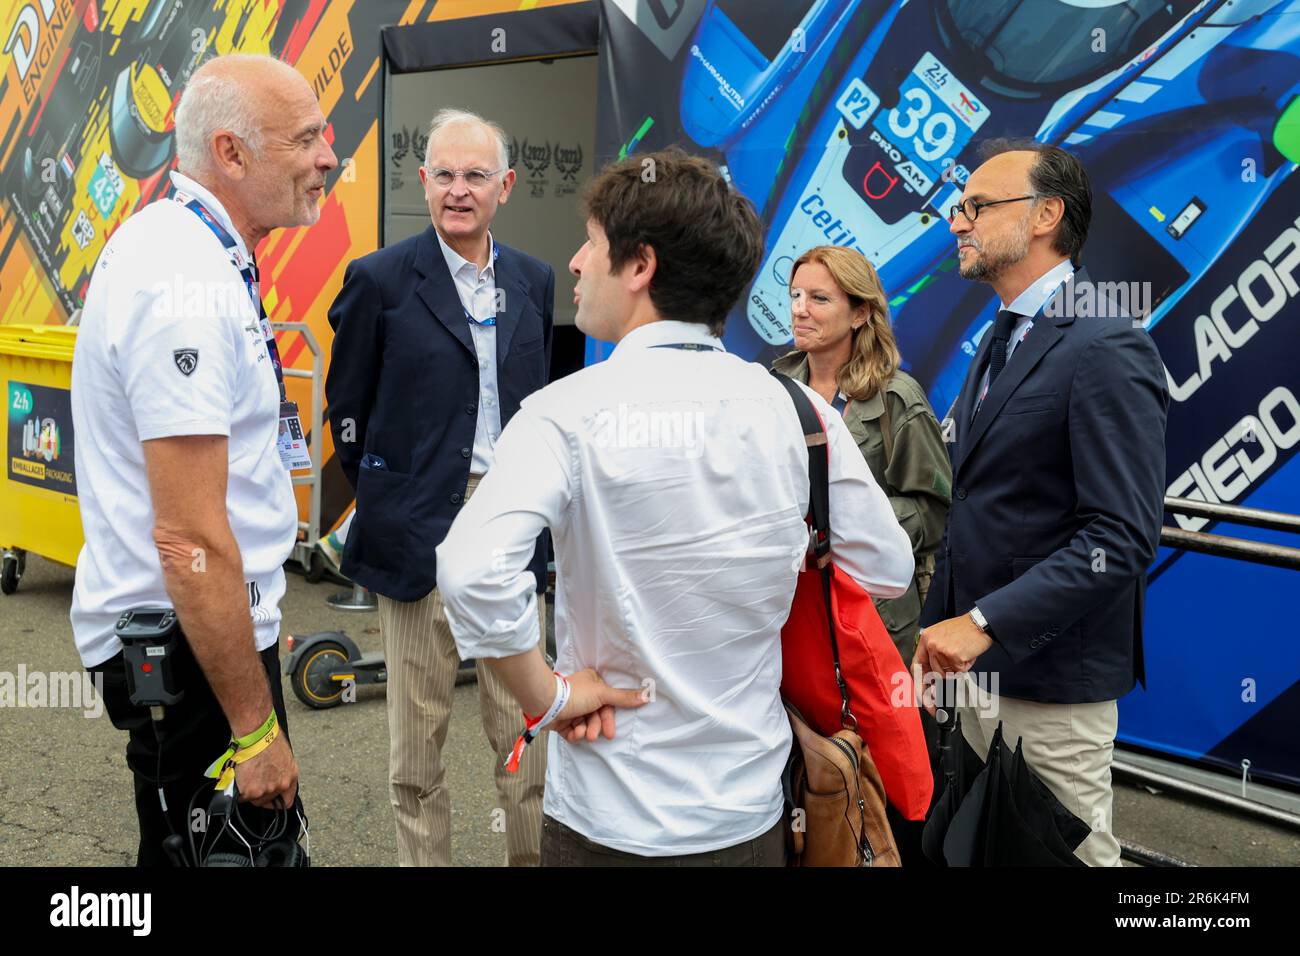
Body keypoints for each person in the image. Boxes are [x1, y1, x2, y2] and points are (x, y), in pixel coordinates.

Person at [434, 147, 915, 866]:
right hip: (749, 812)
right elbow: (888, 566)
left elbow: (473, 570)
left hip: (609, 813)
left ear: (640, 267)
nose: (574, 264)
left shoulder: (565, 412)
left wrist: (551, 696)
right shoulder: (799, 410)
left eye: (592, 245)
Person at [72, 53, 337, 865]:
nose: (328, 155)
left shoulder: (195, 251)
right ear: (230, 153)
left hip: (199, 641)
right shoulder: (180, 278)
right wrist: (256, 730)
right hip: (187, 649)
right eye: (305, 138)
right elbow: (189, 540)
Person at [914, 139, 1169, 867]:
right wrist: (939, 637)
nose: (957, 221)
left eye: (976, 206)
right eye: (957, 208)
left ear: (1045, 215)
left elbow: (1119, 537)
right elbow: (980, 508)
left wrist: (985, 623)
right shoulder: (999, 339)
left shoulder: (1106, 342)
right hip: (975, 677)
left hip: (1050, 689)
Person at [326, 108, 554, 867]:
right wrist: (396, 495)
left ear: (506, 187)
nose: (459, 191)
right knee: (415, 754)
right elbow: (347, 411)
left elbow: (544, 401)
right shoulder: (380, 280)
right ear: (422, 181)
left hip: (512, 531)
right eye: (444, 175)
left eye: (476, 176)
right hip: (417, 530)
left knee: (524, 738)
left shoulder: (535, 281)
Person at [771, 245, 951, 664]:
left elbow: (935, 512)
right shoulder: (774, 386)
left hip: (875, 613)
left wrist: (848, 518)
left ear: (859, 313)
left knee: (872, 727)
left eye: (819, 299)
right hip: (790, 605)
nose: (800, 310)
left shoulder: (897, 398)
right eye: (795, 296)